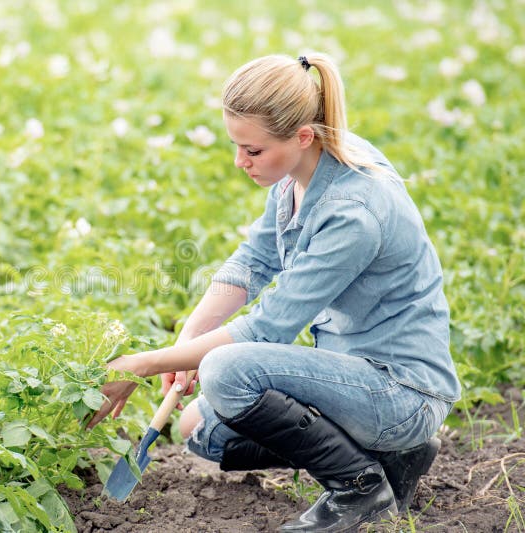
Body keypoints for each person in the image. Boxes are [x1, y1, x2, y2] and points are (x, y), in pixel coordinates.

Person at [86, 53, 460, 532]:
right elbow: (254, 261)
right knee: (197, 430)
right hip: (353, 375)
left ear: (303, 136)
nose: (240, 162)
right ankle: (394, 456)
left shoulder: (353, 212)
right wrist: (187, 339)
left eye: (253, 151)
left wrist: (142, 364)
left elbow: (268, 326)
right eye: (237, 145)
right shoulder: (300, 170)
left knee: (224, 368)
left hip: (399, 390)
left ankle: (360, 487)